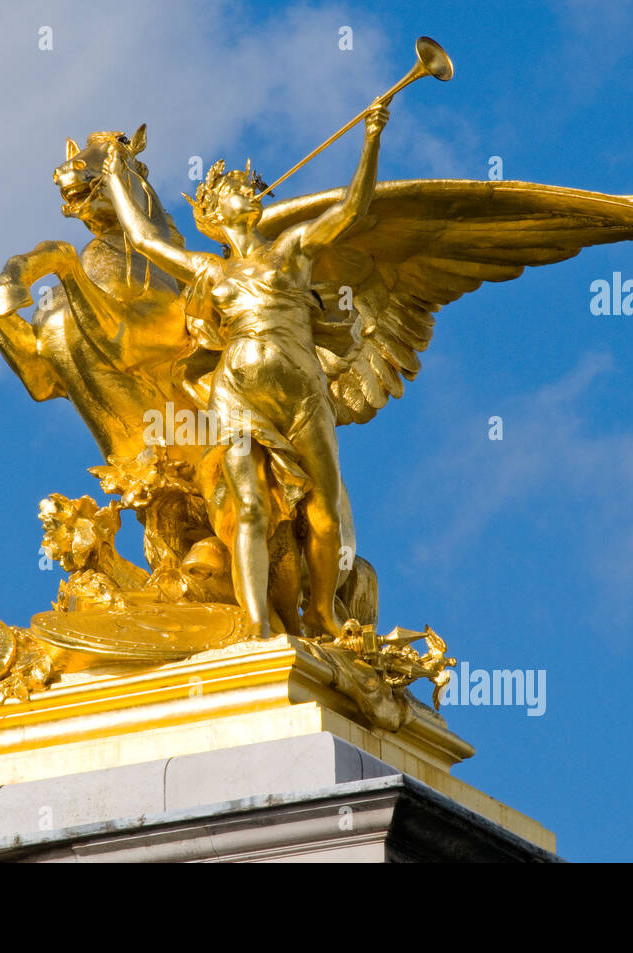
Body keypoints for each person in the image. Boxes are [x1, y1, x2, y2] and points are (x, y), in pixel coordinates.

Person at [102, 100, 389, 640]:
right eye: (240, 186)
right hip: (236, 393)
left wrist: (371, 136)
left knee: (325, 507)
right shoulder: (211, 269)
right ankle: (257, 622)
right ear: (213, 213)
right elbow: (144, 240)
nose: (253, 190)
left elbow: (352, 209)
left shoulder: (291, 249)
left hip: (303, 389)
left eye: (254, 186)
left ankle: (323, 610)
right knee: (250, 506)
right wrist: (117, 173)